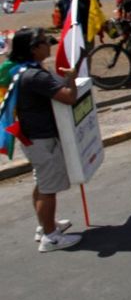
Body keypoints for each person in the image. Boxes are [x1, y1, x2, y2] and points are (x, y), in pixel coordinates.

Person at [8, 28, 82, 252]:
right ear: (33, 49)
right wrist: (71, 77)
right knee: (49, 188)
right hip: (42, 139)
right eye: (44, 43)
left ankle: (45, 225)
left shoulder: (22, 71)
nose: (49, 46)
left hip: (32, 137)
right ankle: (51, 237)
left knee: (42, 184)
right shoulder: (35, 75)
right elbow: (68, 98)